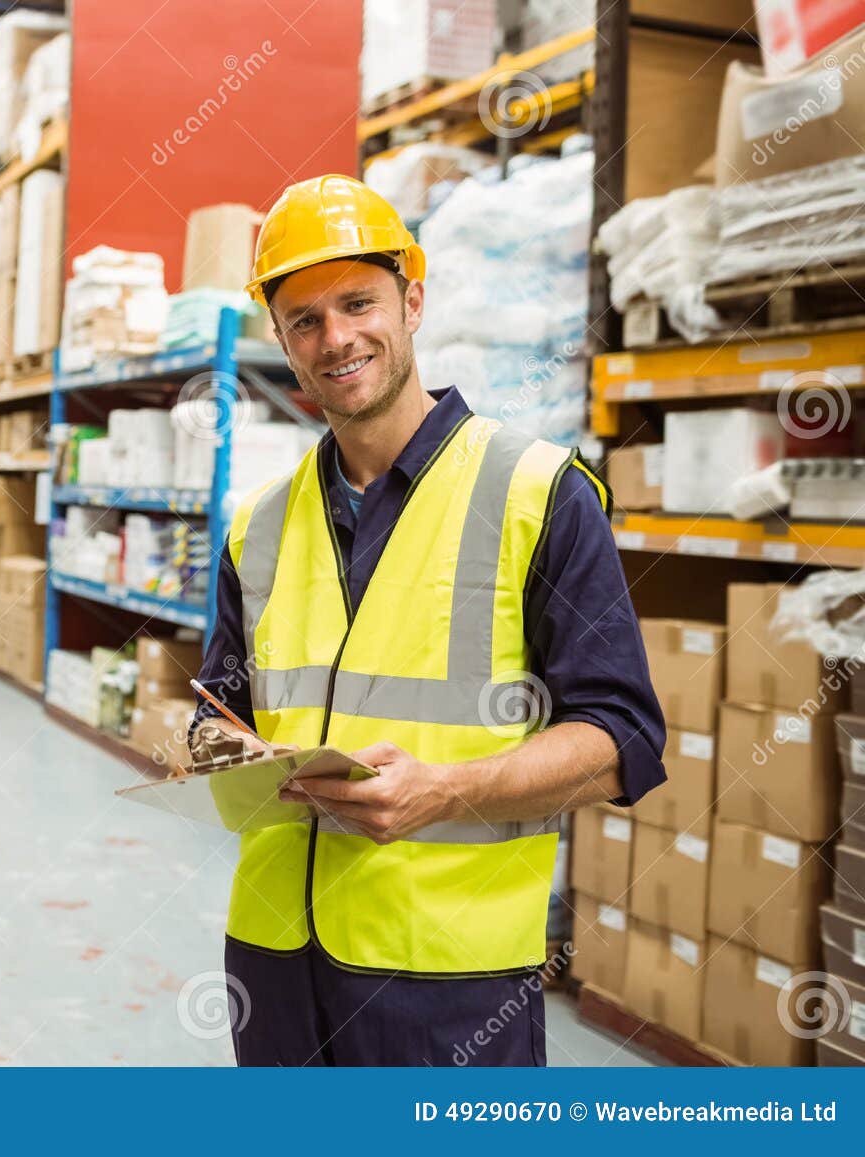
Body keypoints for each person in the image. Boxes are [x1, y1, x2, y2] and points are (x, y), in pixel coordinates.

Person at [188, 175, 666, 1067]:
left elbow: (623, 738)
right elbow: (219, 710)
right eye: (304, 319)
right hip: (274, 962)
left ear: (412, 301)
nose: (336, 338)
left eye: (358, 302)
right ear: (283, 344)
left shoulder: (538, 495)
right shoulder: (256, 526)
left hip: (447, 980)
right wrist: (216, 746)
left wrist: (443, 790)